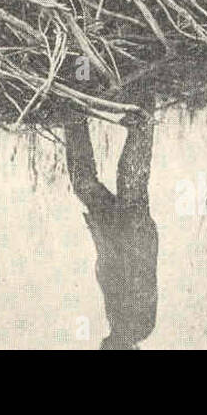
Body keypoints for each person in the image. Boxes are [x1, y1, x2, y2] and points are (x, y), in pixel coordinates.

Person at [65, 109, 159, 349]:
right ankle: (143, 119)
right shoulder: (138, 326)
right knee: (130, 182)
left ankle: (72, 117)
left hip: (117, 233)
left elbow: (109, 270)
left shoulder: (120, 325)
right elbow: (134, 266)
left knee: (84, 185)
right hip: (131, 234)